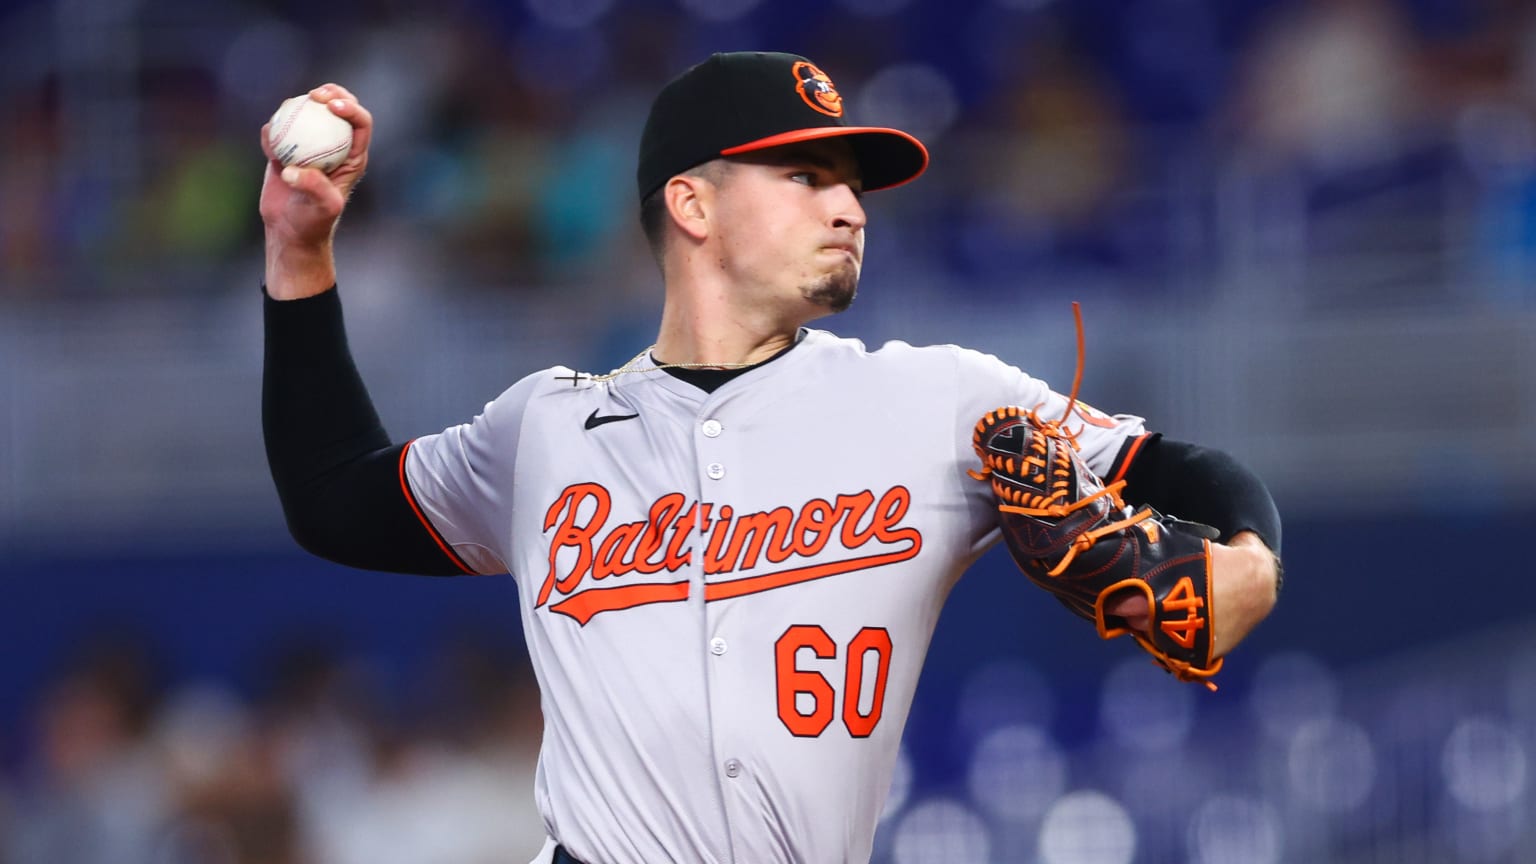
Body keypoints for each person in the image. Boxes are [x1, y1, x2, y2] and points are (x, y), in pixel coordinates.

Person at [259, 51, 1281, 864]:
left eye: (853, 185)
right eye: (806, 175)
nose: (851, 207)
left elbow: (1174, 469)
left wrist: (1249, 562)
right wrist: (300, 256)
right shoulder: (545, 430)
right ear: (692, 206)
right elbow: (334, 498)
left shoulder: (941, 399)